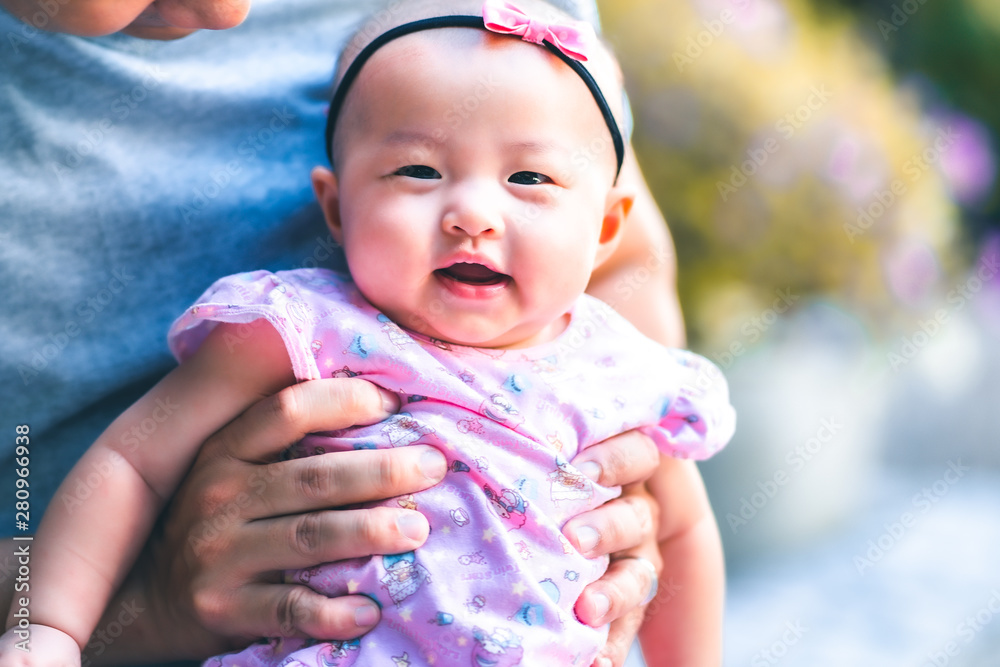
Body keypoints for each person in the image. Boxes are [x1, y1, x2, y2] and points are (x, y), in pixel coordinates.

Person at [0, 1, 735, 665]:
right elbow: (133, 460)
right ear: (338, 208)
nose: (472, 213)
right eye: (418, 169)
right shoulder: (306, 330)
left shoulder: (619, 371)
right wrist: (51, 627)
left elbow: (683, 529)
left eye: (529, 180)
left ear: (605, 225)